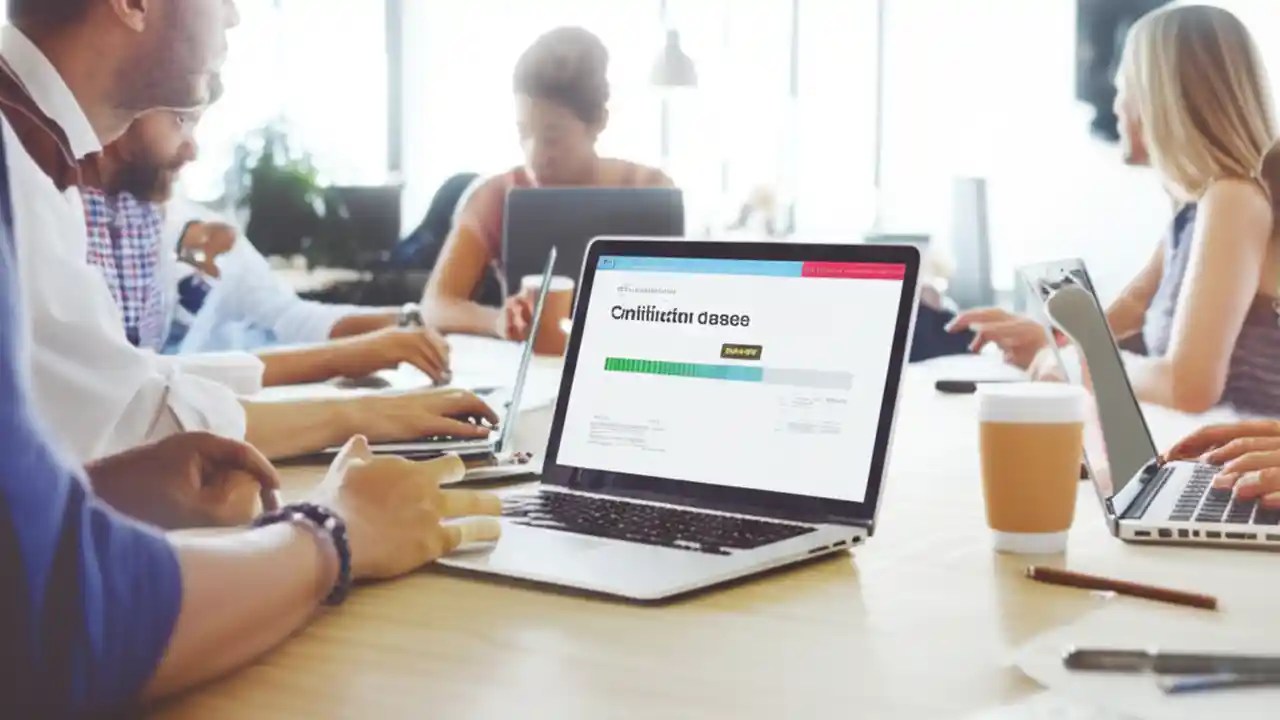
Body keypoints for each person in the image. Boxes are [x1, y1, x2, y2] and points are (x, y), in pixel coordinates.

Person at [0, 3, 494, 463]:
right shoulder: (17, 164)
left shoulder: (38, 154)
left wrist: (364, 399)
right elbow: (127, 420)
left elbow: (124, 383)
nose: (234, 17)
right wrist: (361, 423)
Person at [947, 5, 1280, 416]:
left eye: (1123, 87)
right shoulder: (1193, 215)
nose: (1116, 105)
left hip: (1246, 473)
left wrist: (1073, 365)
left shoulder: (1234, 199)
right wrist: (1046, 343)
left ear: (1159, 97)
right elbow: (1110, 329)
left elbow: (1189, 387)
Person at [89, 102, 454, 387]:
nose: (193, 150)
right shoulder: (67, 219)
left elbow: (285, 315)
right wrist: (343, 357)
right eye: (180, 119)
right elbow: (131, 382)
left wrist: (404, 323)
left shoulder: (182, 223)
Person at [422, 26, 673, 340]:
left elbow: (677, 304)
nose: (536, 155)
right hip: (528, 369)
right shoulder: (495, 196)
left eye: (552, 137)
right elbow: (436, 304)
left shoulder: (648, 189)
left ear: (598, 123)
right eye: (523, 132)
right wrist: (499, 320)